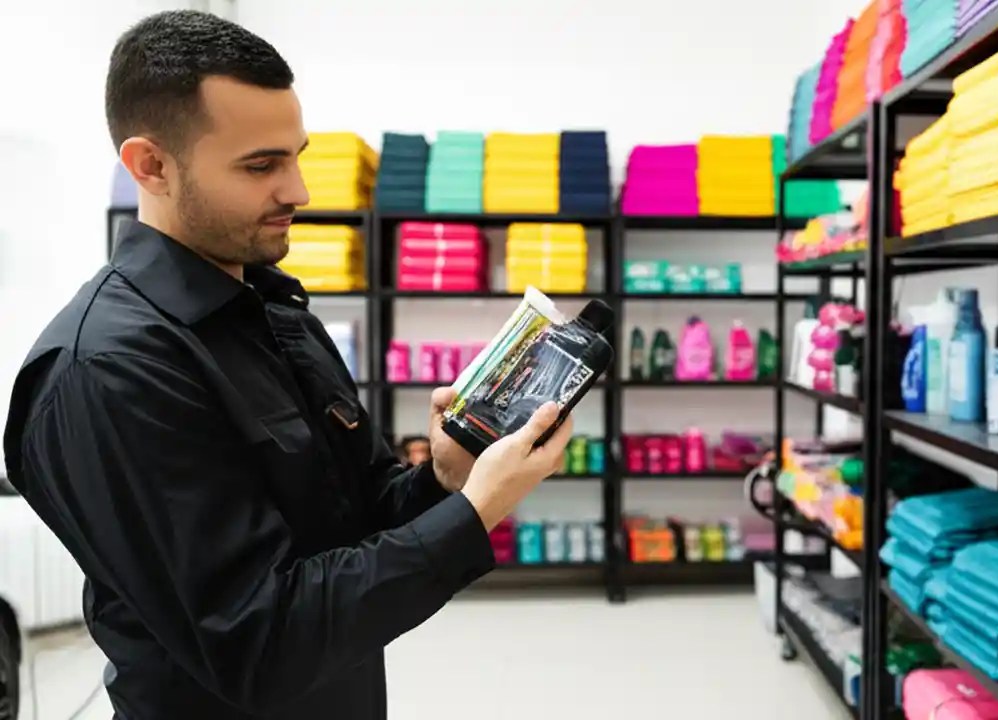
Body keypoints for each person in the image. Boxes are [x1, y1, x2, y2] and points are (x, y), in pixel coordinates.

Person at [1, 10, 572, 720]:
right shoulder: (106, 371)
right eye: (261, 165)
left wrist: (448, 478)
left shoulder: (277, 311)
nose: (299, 190)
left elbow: (353, 526)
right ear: (151, 165)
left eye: (296, 155)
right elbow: (259, 641)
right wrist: (477, 511)